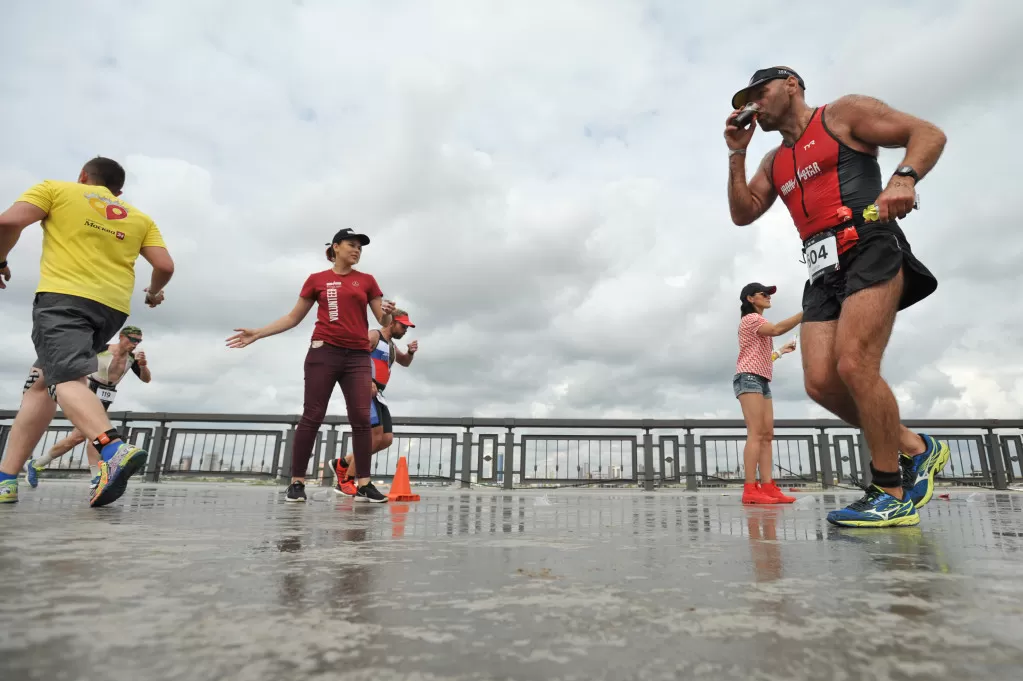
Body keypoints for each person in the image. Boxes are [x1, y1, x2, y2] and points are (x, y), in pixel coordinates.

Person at [724, 66, 951, 527]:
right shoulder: (773, 161)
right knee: (821, 382)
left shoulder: (842, 115)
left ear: (791, 85)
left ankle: (891, 489)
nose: (753, 104)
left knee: (854, 363)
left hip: (868, 244)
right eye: (745, 99)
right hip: (821, 267)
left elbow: (927, 133)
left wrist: (903, 178)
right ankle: (917, 447)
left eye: (759, 93)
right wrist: (736, 155)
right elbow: (743, 213)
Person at [0, 156, 174, 507]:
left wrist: (1, 260)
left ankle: (112, 448)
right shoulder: (139, 217)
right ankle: (6, 477)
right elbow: (164, 266)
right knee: (42, 383)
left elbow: (7, 222)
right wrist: (154, 294)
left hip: (64, 298)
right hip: (111, 308)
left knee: (65, 379)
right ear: (118, 191)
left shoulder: (55, 189)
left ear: (82, 176)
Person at [226, 228, 395, 504]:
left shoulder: (367, 281)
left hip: (356, 358)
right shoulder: (317, 280)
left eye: (360, 248)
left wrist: (388, 316)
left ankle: (363, 483)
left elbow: (383, 321)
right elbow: (293, 318)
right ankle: (296, 482)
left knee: (362, 419)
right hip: (323, 353)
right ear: (336, 247)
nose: (357, 251)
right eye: (351, 245)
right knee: (312, 415)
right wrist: (258, 333)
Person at [24, 325, 153, 491]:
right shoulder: (102, 348)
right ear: (121, 336)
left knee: (80, 437)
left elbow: (146, 379)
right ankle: (96, 477)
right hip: (88, 390)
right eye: (132, 339)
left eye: (138, 341)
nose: (135, 344)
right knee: (96, 435)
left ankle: (36, 464)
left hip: (106, 395)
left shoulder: (132, 358)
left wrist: (142, 365)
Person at [330, 309, 418, 496]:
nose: (405, 330)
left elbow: (405, 362)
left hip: (378, 393)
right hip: (365, 389)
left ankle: (343, 463)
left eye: (407, 328)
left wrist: (410, 352)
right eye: (403, 326)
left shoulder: (391, 345)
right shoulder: (374, 336)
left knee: (386, 439)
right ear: (391, 322)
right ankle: (346, 481)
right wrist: (366, 380)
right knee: (373, 436)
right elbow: (355, 356)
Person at [734, 283, 801, 505]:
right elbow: (777, 329)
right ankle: (750, 489)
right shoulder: (751, 319)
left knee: (767, 435)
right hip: (749, 378)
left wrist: (781, 351)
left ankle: (768, 486)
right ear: (750, 298)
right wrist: (806, 312)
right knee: (756, 433)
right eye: (764, 294)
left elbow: (761, 356)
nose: (768, 296)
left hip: (761, 380)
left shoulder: (757, 322)